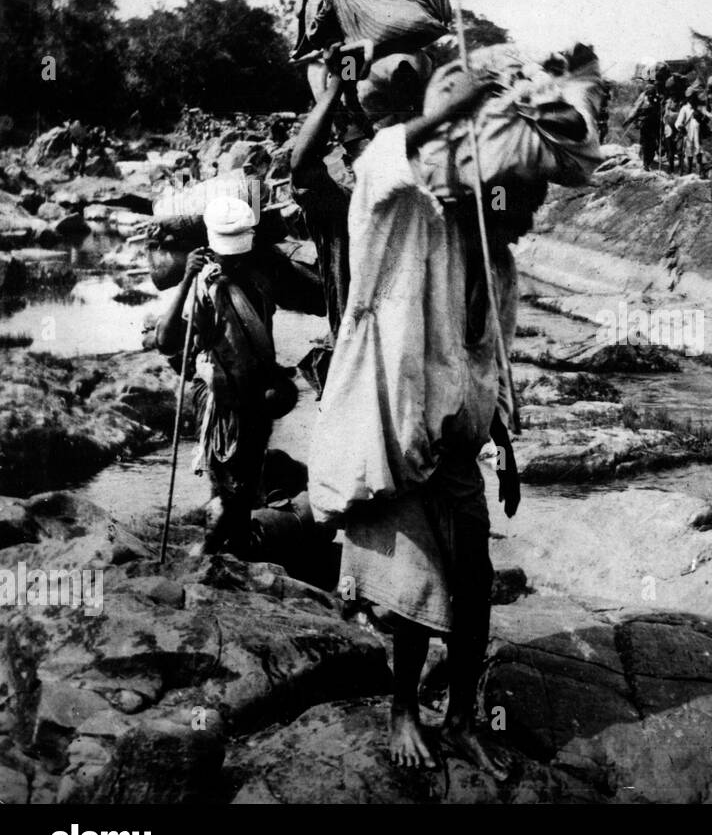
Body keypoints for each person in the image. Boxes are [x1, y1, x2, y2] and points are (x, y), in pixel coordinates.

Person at [326, 57, 520, 776]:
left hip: (459, 446)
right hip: (400, 433)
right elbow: (381, 161)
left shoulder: (497, 261)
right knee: (412, 594)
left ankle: (463, 716)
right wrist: (444, 115)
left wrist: (504, 441)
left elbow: (484, 360)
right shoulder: (407, 218)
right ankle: (404, 707)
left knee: (474, 588)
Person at [154, 196, 294, 557]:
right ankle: (210, 552)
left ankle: (233, 549)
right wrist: (188, 278)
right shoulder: (207, 284)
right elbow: (166, 340)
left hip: (255, 398)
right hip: (221, 402)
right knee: (228, 487)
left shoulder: (260, 278)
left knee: (244, 487)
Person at [290, 44, 373, 343]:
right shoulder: (345, 206)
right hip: (357, 344)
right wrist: (338, 81)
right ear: (349, 166)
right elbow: (302, 164)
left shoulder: (410, 196)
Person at [624, 80, 663, 170]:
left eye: (651, 93)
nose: (650, 95)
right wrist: (630, 120)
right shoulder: (643, 101)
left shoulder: (657, 101)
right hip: (645, 125)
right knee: (645, 144)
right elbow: (636, 111)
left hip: (655, 125)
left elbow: (660, 111)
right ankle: (646, 163)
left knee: (653, 145)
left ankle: (648, 161)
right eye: (649, 93)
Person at [675, 90, 706, 176]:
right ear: (688, 99)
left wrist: (702, 118)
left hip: (698, 132)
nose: (693, 100)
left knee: (699, 150)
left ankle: (700, 171)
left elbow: (707, 117)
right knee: (689, 151)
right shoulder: (684, 109)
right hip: (688, 132)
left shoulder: (699, 108)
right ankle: (689, 170)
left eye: (694, 98)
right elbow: (678, 122)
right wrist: (681, 127)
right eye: (691, 98)